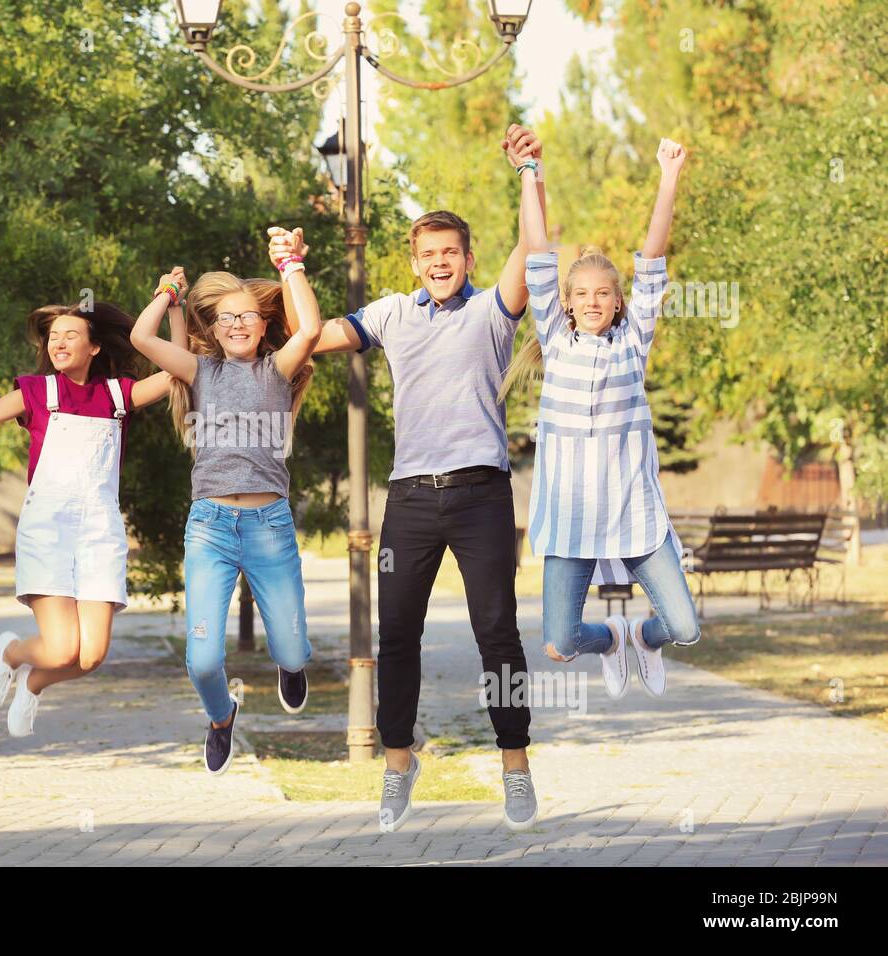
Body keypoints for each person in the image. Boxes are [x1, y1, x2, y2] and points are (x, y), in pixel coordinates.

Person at [295, 124, 545, 831]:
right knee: (396, 632)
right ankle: (399, 761)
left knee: (497, 631)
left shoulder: (494, 312)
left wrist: (531, 171)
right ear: (414, 263)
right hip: (409, 500)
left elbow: (534, 248)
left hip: (481, 497)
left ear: (468, 259)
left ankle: (515, 765)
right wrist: (290, 270)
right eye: (427, 254)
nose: (439, 262)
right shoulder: (392, 314)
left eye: (450, 253)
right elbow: (312, 335)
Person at [498, 136, 699, 699]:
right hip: (569, 521)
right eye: (581, 293)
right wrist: (530, 172)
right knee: (560, 642)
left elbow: (654, 258)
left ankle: (644, 637)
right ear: (566, 302)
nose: (592, 301)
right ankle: (612, 638)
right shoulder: (556, 340)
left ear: (617, 301)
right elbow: (539, 252)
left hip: (634, 514)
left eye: (604, 293)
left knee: (684, 627)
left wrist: (668, 176)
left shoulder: (633, 341)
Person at [129, 227, 320, 775]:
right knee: (204, 659)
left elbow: (309, 327)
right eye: (227, 317)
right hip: (210, 526)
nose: (238, 324)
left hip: (269, 526)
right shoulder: (198, 370)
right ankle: (221, 717)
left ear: (264, 326)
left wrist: (290, 265)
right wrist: (168, 293)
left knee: (290, 651)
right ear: (213, 328)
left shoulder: (276, 370)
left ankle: (292, 663)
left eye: (248, 316)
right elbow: (144, 339)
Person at [0, 302, 177, 737]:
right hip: (48, 530)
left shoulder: (117, 394)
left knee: (90, 657)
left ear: (94, 347)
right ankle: (12, 653)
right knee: (63, 647)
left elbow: (179, 369)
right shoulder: (36, 392)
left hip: (100, 533)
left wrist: (169, 303)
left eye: (70, 335)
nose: (59, 343)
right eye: (53, 337)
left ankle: (33, 683)